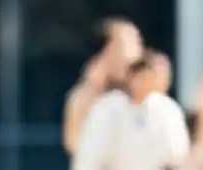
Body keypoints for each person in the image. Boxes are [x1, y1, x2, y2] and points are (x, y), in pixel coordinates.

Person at [62, 17, 144, 157]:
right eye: (130, 43)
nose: (137, 51)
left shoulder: (141, 87)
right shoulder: (85, 95)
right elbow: (73, 142)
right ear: (108, 48)